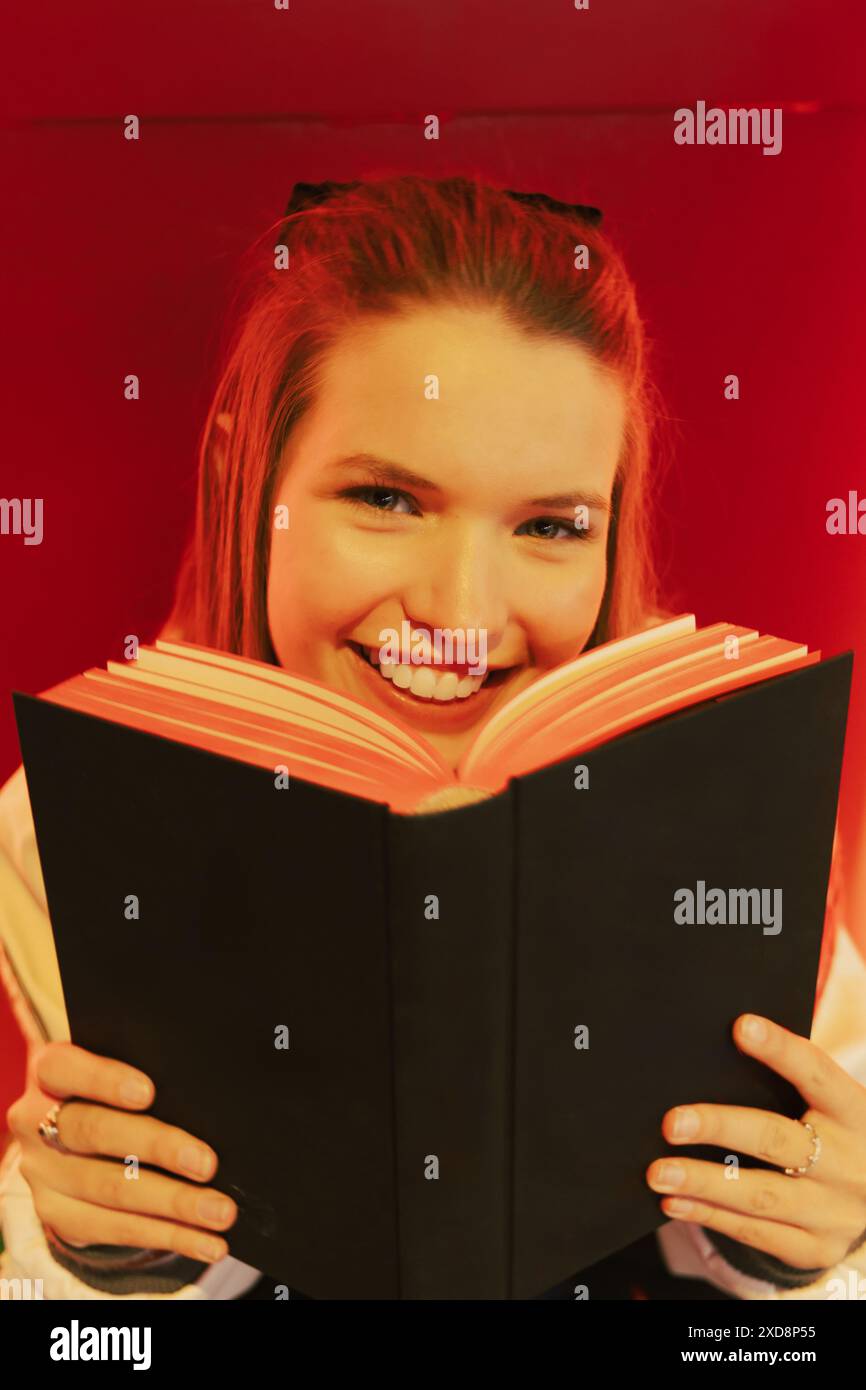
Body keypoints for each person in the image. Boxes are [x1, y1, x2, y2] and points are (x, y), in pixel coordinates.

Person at [2, 174, 865, 1301]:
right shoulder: (66, 827)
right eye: (387, 500)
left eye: (551, 524)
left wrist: (814, 1257)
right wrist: (89, 1255)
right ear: (245, 472)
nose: (458, 613)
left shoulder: (732, 817)